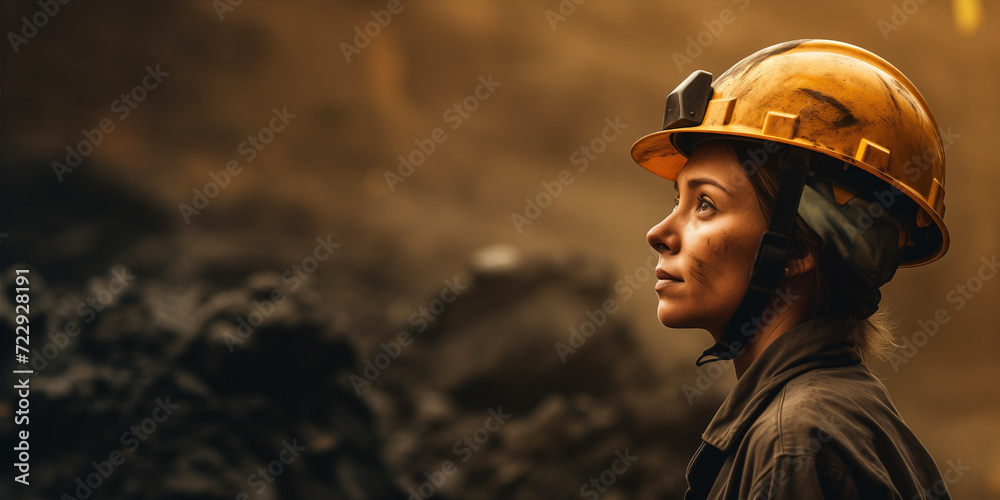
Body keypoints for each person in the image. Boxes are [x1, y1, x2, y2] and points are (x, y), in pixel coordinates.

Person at [631, 39, 953, 499]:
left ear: (799, 248)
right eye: (676, 200)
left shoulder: (792, 445)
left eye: (705, 204)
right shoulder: (840, 416)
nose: (658, 233)